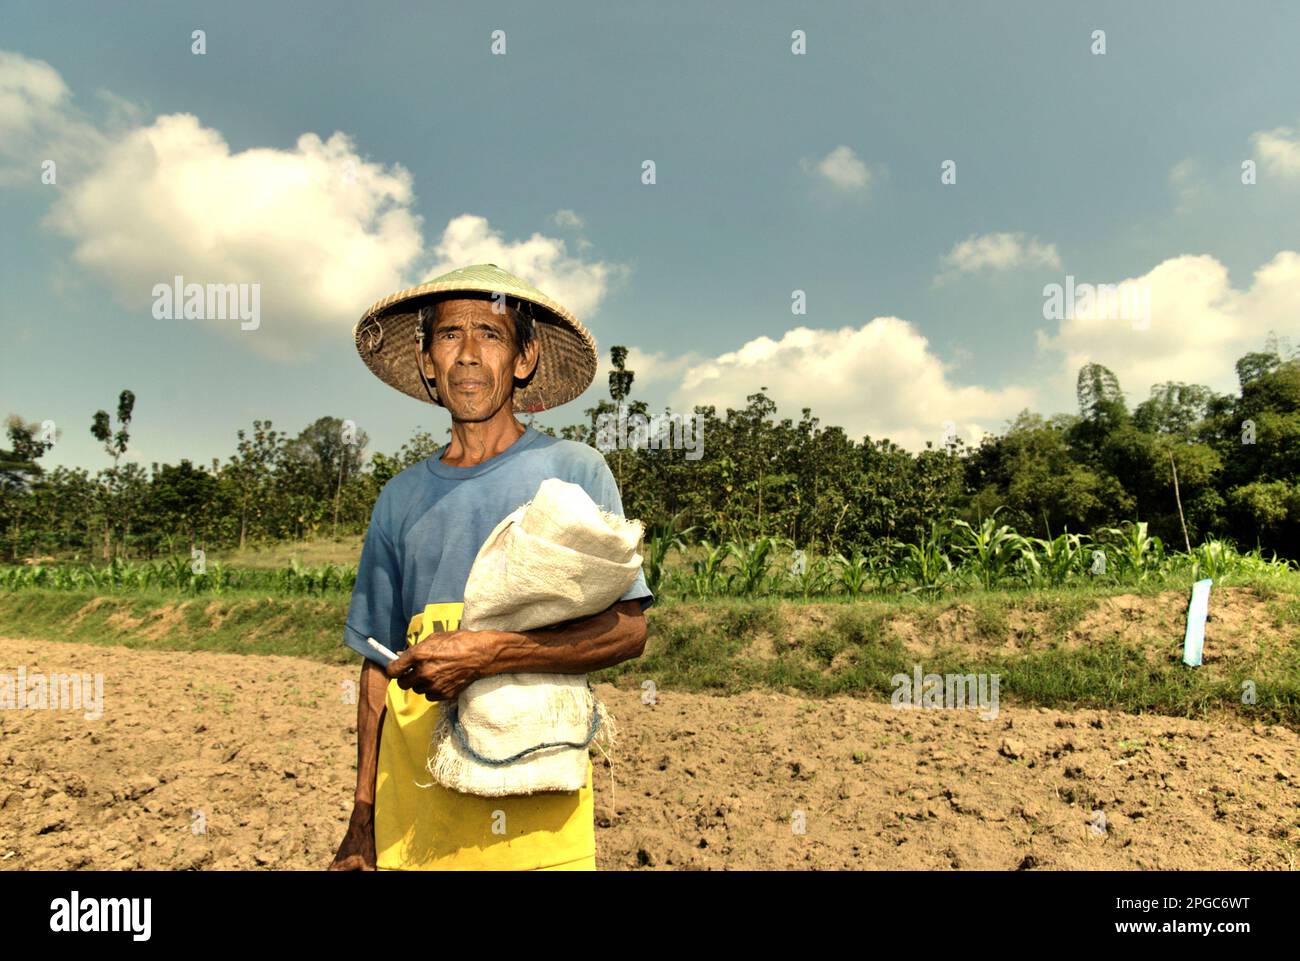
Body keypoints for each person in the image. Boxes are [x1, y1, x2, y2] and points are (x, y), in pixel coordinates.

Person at [329, 264, 652, 871]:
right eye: (450, 335)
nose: (469, 355)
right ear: (427, 361)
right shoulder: (398, 498)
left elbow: (629, 632)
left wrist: (492, 654)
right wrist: (362, 821)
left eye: (492, 334)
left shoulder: (574, 473)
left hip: (537, 812)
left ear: (524, 357)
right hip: (415, 818)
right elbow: (376, 667)